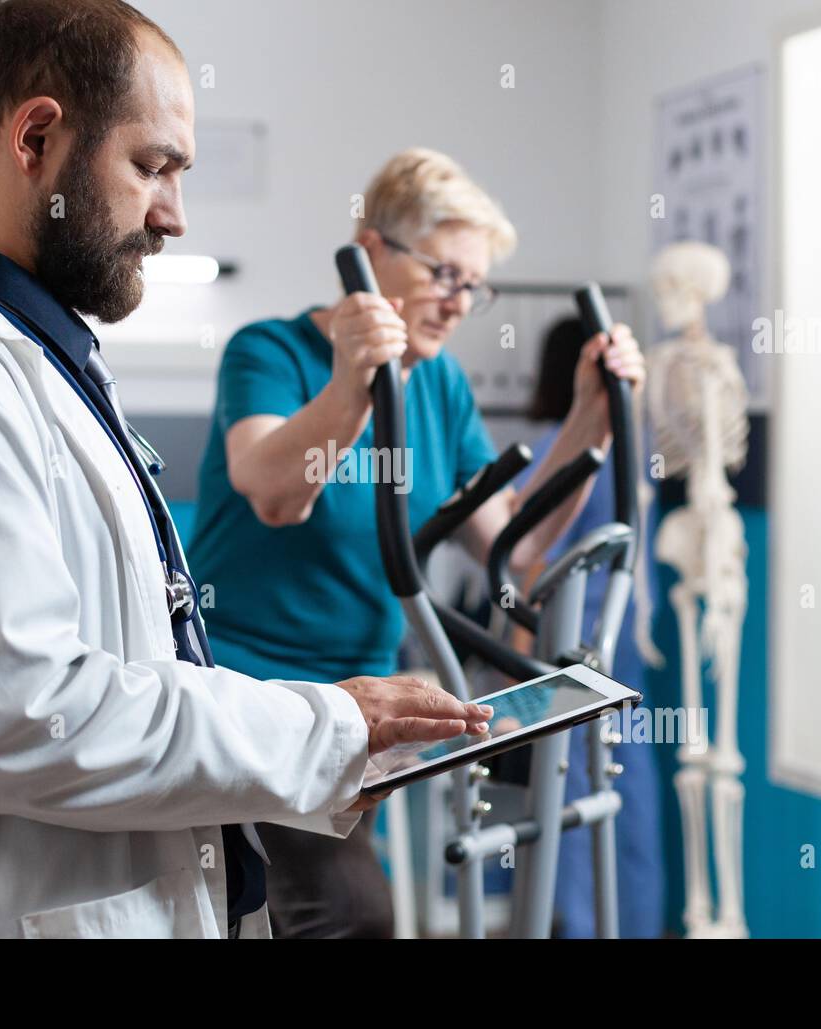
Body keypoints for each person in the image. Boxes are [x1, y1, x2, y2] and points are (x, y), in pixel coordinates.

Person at [0, 0, 491, 940]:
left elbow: (127, 677)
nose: (175, 215)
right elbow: (24, 719)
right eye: (153, 167)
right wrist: (331, 723)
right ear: (36, 138)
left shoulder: (36, 371)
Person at [187, 148, 646, 937]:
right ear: (370, 255)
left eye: (475, 284)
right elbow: (271, 491)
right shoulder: (268, 352)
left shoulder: (439, 383)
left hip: (365, 718)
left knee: (340, 911)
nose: (460, 301)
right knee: (350, 912)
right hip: (251, 704)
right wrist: (352, 386)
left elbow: (516, 552)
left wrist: (587, 422)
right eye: (444, 274)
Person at [517, 316, 666, 938]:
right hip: (623, 642)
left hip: (571, 655)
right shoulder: (633, 454)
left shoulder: (566, 452)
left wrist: (517, 671)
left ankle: (583, 927)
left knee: (575, 792)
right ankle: (637, 923)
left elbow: (531, 559)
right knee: (629, 790)